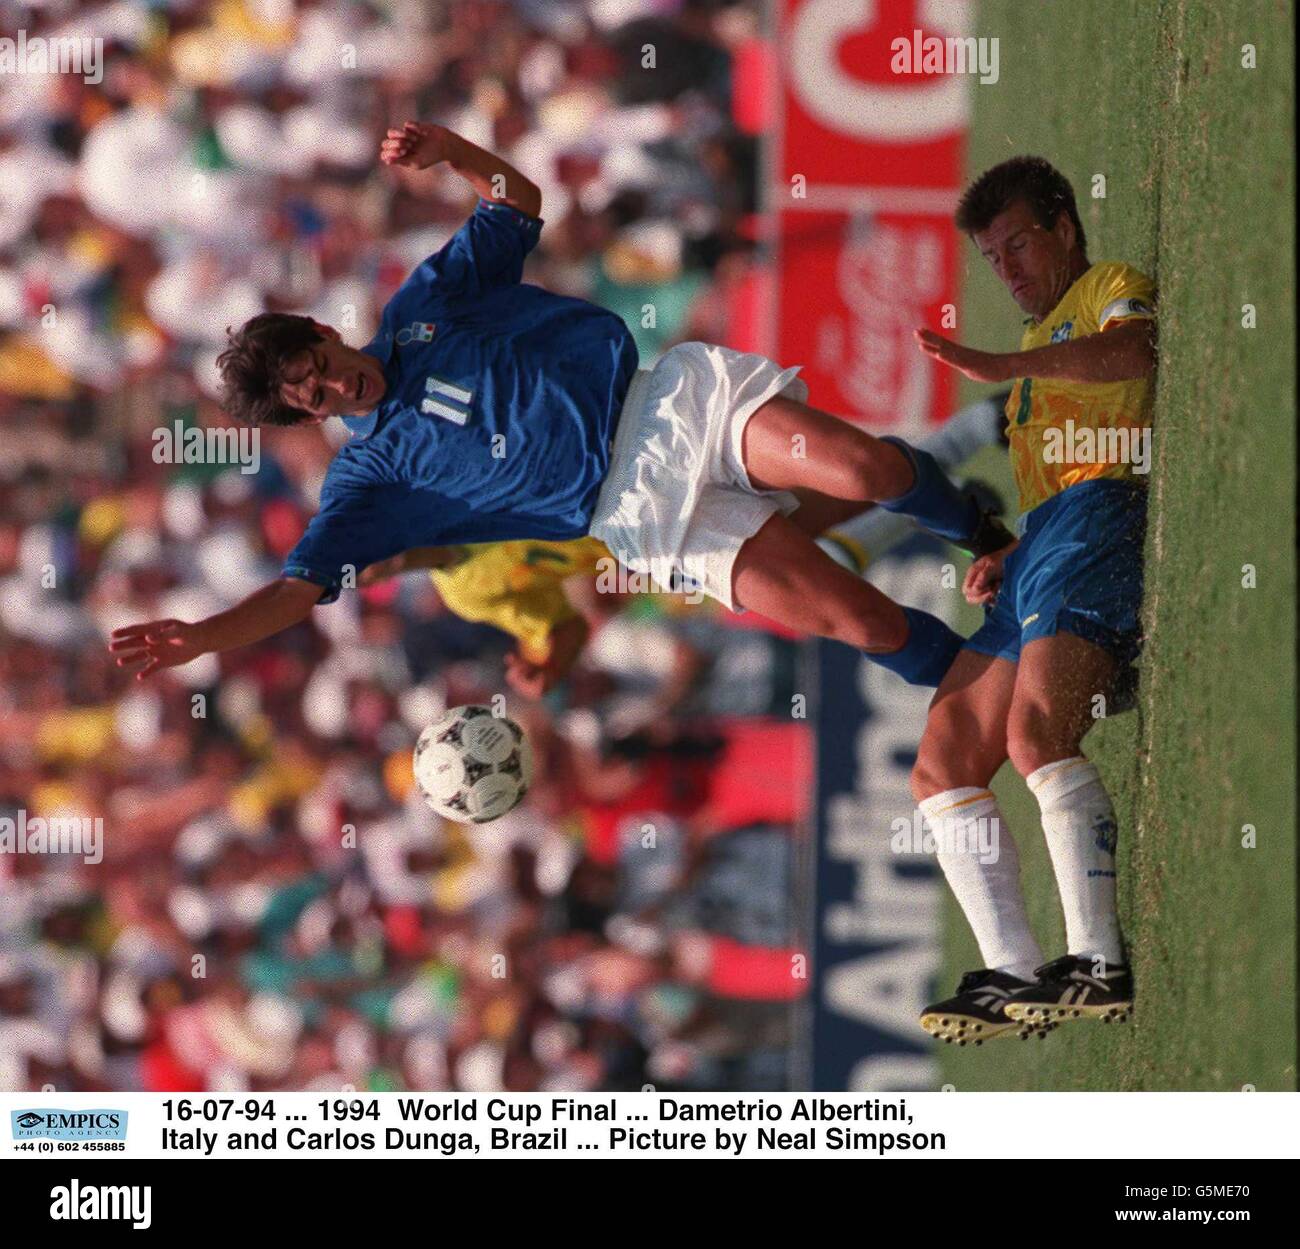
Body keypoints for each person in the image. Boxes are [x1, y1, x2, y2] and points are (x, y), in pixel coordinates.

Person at [111, 122, 1012, 689]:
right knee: (861, 621)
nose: (331, 386)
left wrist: (455, 153)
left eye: (317, 363)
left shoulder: (426, 304)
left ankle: (985, 537)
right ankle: (999, 669)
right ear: (307, 418)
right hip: (636, 516)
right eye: (309, 398)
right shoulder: (369, 477)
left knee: (870, 469)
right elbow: (299, 590)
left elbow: (521, 202)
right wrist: (204, 635)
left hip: (669, 405)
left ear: (321, 330)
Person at [910, 156, 1156, 1042]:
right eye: (992, 258)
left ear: (1064, 226)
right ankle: (1013, 971)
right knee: (940, 764)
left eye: (1018, 244)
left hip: (1101, 506)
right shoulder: (1028, 367)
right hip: (1046, 541)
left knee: (1035, 732)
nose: (1008, 269)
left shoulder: (1107, 291)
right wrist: (1008, 549)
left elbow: (1136, 352)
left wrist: (1000, 359)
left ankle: (1098, 963)